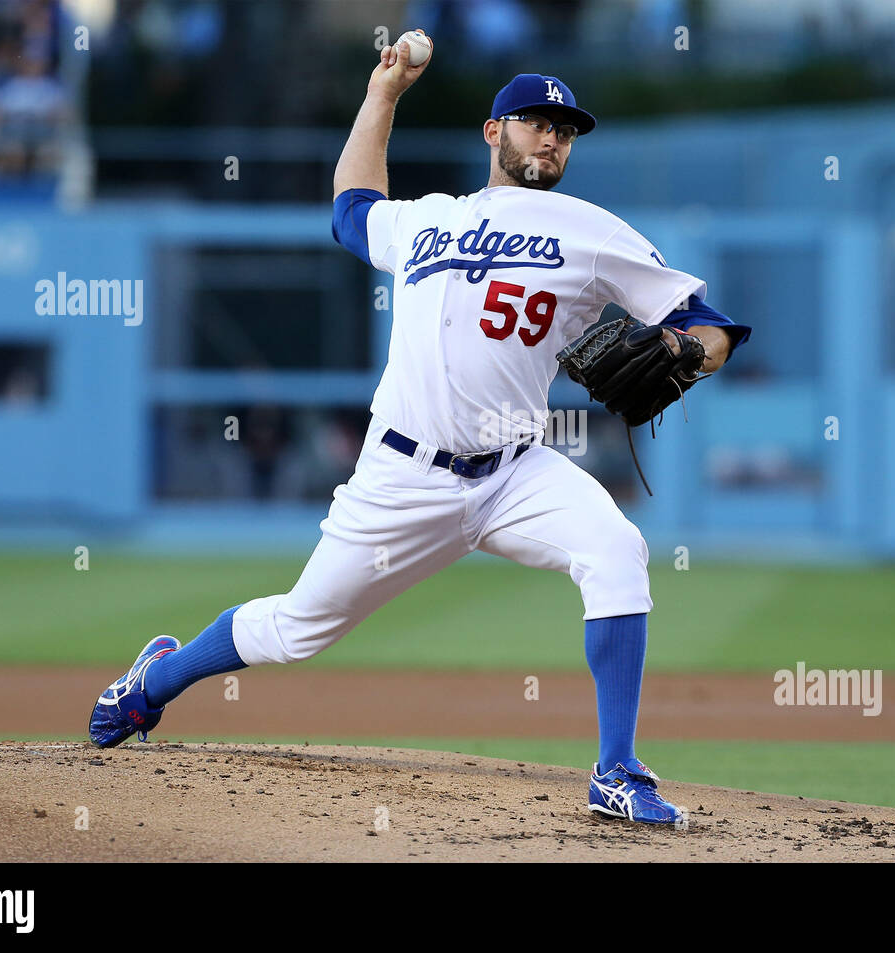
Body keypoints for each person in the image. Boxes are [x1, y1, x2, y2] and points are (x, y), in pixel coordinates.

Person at [89, 31, 751, 826]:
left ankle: (616, 770)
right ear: (492, 132)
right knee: (299, 627)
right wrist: (384, 96)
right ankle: (154, 681)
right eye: (536, 120)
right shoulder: (429, 220)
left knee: (617, 550)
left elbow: (709, 323)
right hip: (403, 476)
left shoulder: (594, 231)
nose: (552, 136)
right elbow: (350, 211)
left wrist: (688, 350)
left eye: (565, 129)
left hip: (514, 473)